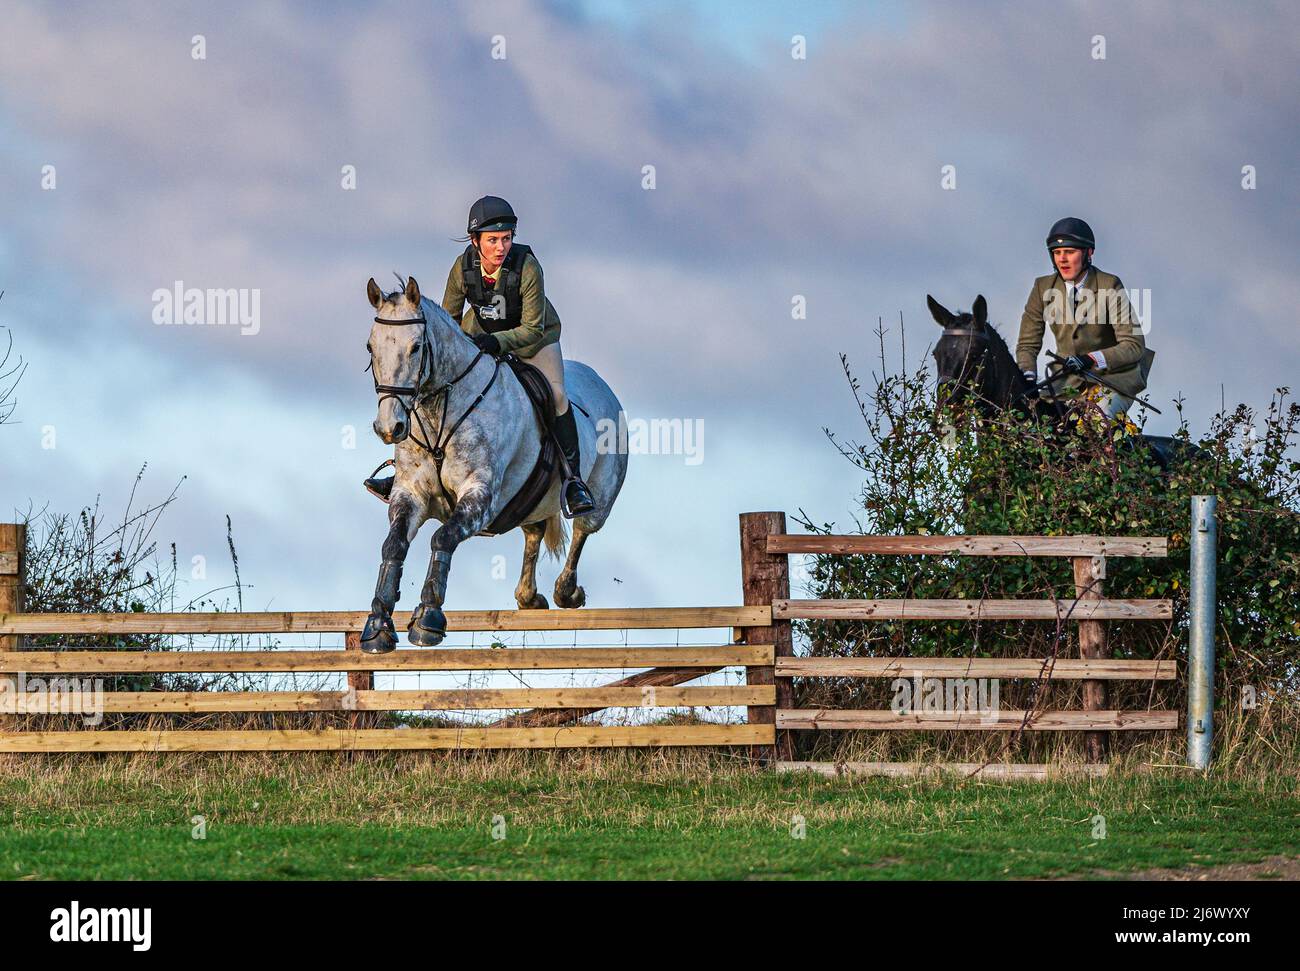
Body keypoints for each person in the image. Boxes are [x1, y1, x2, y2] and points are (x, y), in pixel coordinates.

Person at [364, 196, 596, 516]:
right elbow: (447, 322)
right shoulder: (463, 268)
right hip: (483, 333)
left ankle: (573, 481)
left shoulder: (527, 267)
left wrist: (494, 343)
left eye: (506, 239)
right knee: (433, 383)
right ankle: (406, 472)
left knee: (556, 395)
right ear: (476, 241)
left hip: (535, 340)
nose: (501, 247)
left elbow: (531, 328)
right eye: (492, 241)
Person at [1015, 217, 1154, 420]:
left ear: (1089, 253)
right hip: (1064, 382)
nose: (1062, 259)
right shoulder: (1042, 287)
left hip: (1111, 380)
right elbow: (1028, 343)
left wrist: (1091, 359)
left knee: (1097, 420)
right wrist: (1027, 376)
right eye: (1057, 253)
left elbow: (1134, 345)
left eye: (1070, 252)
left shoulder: (1110, 284)